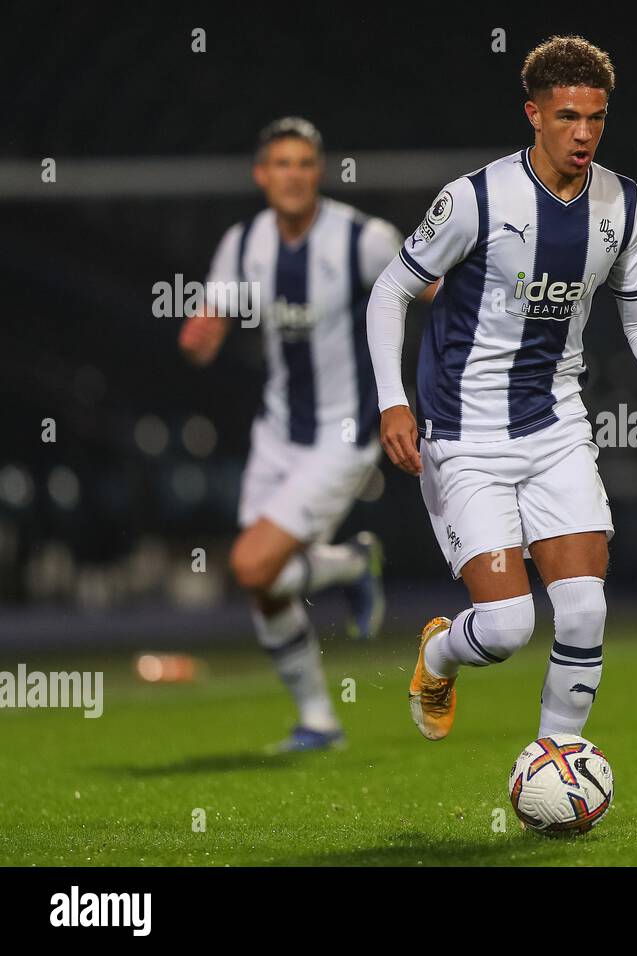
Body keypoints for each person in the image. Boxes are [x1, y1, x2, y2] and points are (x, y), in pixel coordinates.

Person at [365, 37, 637, 745]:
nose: (584, 133)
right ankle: (439, 652)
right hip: (464, 434)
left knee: (585, 611)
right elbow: (391, 290)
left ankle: (556, 761)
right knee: (504, 629)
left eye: (596, 117)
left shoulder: (623, 206)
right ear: (533, 113)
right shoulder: (473, 200)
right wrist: (391, 400)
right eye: (566, 117)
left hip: (556, 425)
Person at [179, 118, 395, 752]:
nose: (293, 175)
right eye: (281, 164)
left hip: (345, 432)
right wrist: (199, 336)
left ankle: (354, 563)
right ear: (261, 174)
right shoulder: (244, 242)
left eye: (304, 163)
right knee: (265, 586)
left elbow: (432, 287)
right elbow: (209, 324)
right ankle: (319, 722)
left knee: (252, 563)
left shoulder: (363, 238)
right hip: (277, 432)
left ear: (318, 171)